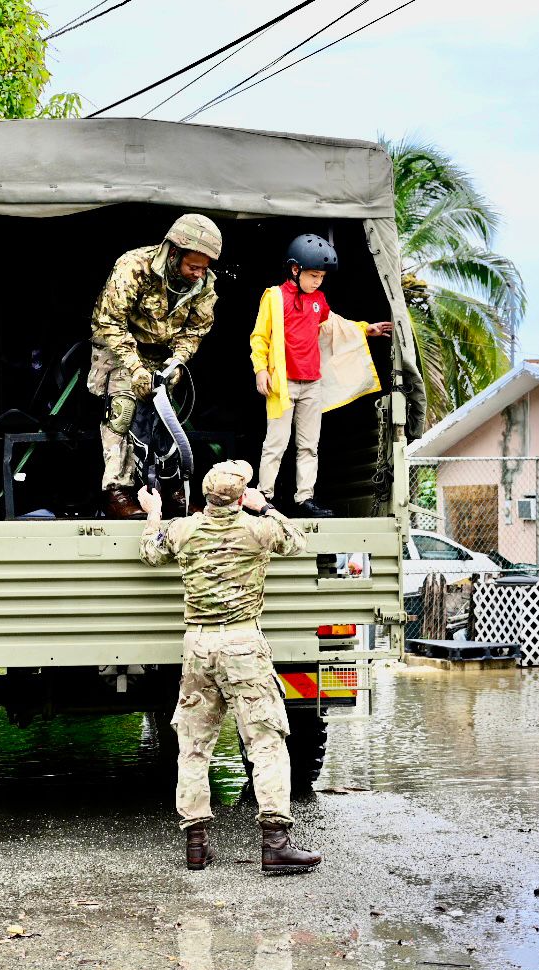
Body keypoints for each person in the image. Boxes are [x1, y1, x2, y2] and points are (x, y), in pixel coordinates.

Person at [139, 459, 322, 875]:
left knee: (194, 745)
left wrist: (153, 515)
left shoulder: (183, 530)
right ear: (242, 496)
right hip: (243, 644)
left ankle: (197, 845)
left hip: (198, 645)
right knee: (266, 742)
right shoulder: (258, 530)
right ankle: (275, 845)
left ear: (205, 495)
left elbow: (150, 553)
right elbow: (297, 541)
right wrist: (266, 507)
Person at [90, 214, 222, 520]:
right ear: (173, 253)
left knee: (164, 417)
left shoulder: (203, 283)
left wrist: (177, 362)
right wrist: (136, 369)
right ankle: (116, 491)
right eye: (193, 266)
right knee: (123, 410)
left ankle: (172, 488)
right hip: (118, 346)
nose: (199, 274)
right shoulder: (134, 267)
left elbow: (196, 330)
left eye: (204, 267)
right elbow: (110, 322)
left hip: (162, 353)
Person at [250, 233, 392, 517]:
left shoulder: (319, 300)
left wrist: (366, 328)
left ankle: (304, 500)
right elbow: (259, 337)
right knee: (276, 443)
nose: (317, 281)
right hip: (283, 383)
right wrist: (261, 370)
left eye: (321, 277)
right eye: (313, 275)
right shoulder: (274, 297)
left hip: (311, 383)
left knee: (309, 445)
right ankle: (263, 498)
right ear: (295, 269)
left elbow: (335, 325)